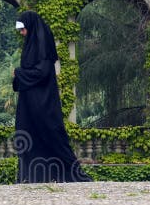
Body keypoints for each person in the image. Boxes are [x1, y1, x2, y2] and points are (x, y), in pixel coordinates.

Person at [12, 11, 92, 184]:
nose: (21, 33)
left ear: (31, 27)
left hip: (42, 103)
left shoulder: (42, 47)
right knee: (26, 135)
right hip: (29, 103)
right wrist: (19, 75)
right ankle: (33, 176)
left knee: (52, 136)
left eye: (23, 29)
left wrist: (18, 72)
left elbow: (42, 72)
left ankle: (69, 174)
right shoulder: (30, 46)